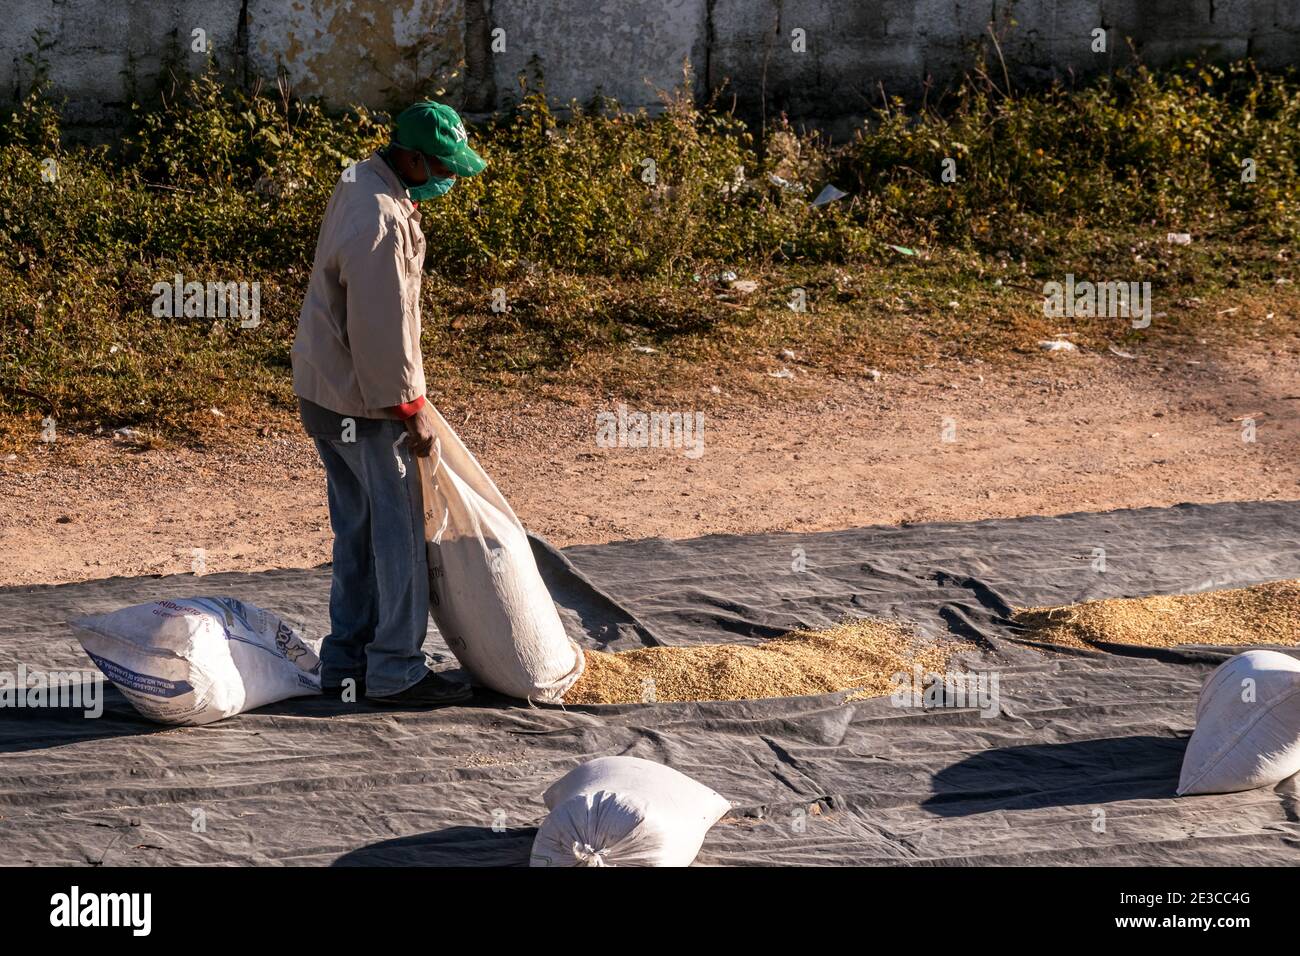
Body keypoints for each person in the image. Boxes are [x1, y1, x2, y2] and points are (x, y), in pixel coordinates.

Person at [290, 101, 486, 706]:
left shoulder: (361, 179)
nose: (446, 176)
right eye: (442, 165)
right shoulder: (380, 215)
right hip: (364, 402)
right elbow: (381, 326)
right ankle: (397, 668)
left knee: (358, 529)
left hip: (323, 389)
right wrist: (411, 408)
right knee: (397, 532)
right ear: (411, 156)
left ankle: (345, 662)